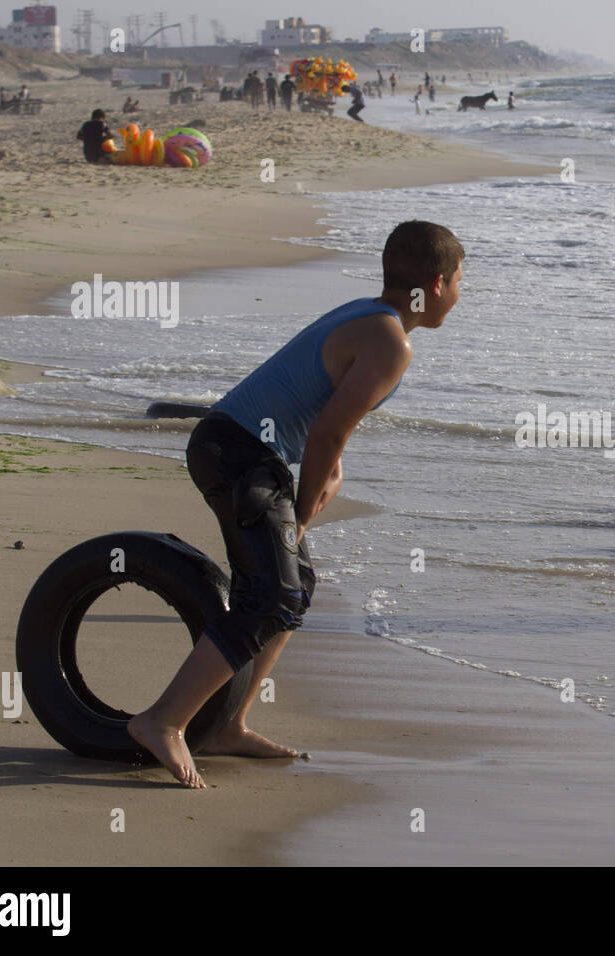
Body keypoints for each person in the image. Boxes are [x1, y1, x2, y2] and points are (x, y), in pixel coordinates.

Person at [127, 221, 465, 788]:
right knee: (274, 594)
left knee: (294, 588)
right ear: (436, 283)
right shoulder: (391, 341)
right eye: (459, 280)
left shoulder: (370, 317)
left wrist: (330, 472)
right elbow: (326, 432)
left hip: (241, 450)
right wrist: (304, 512)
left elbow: (328, 417)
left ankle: (229, 723)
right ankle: (163, 721)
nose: (460, 292)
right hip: (238, 452)